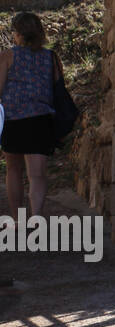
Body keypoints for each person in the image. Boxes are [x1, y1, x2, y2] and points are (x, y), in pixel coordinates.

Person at [0, 12, 62, 218]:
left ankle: (17, 218)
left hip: (13, 120)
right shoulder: (51, 57)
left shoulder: (8, 56)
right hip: (40, 120)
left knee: (14, 170)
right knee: (37, 175)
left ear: (18, 33)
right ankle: (36, 218)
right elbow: (58, 89)